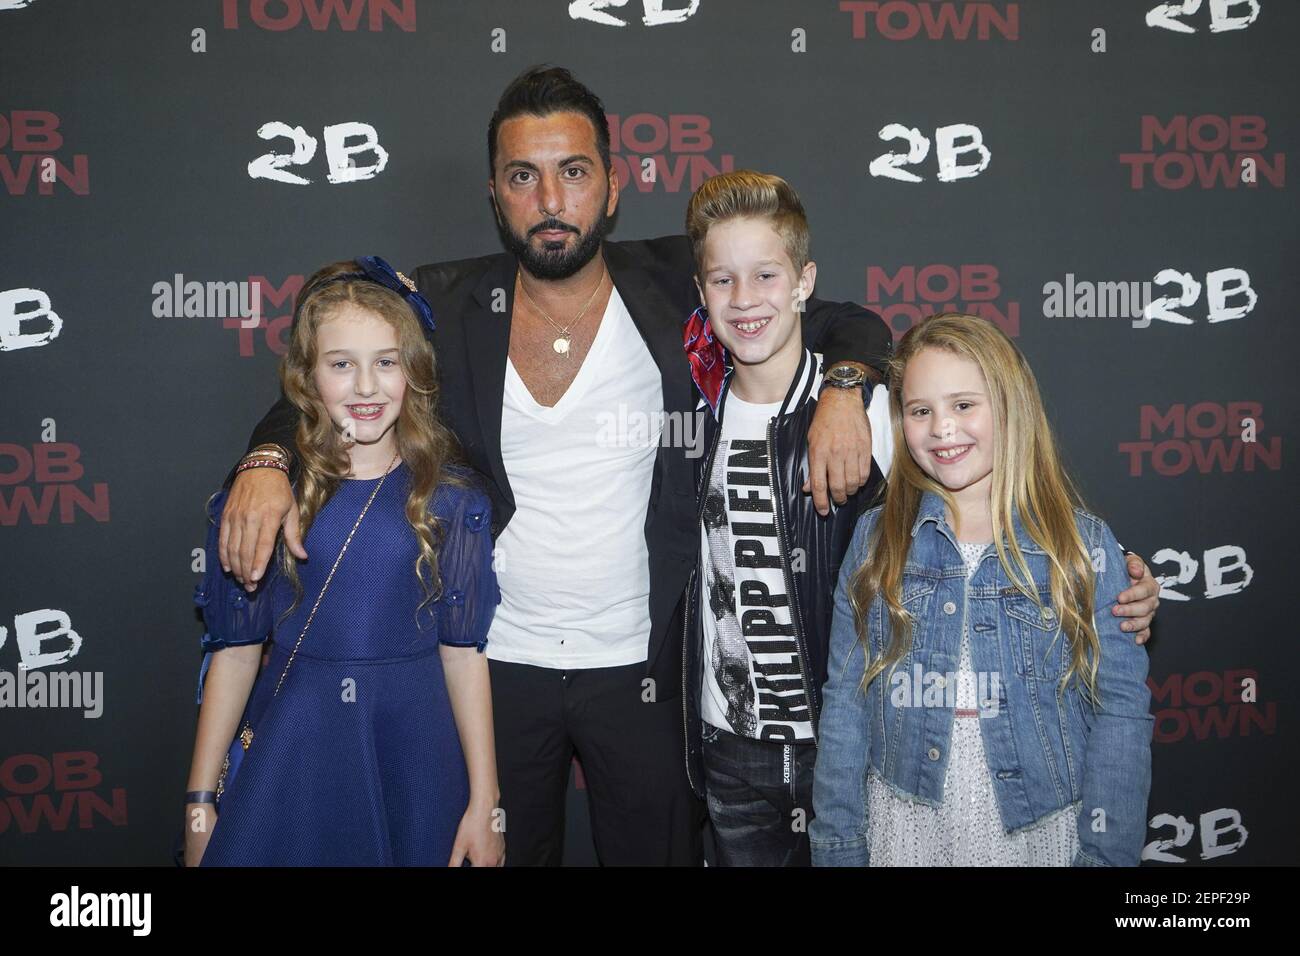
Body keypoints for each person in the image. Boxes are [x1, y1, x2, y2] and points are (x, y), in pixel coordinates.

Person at [215, 66, 894, 866]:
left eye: (573, 172)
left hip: (647, 671)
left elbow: (847, 319)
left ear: (611, 187)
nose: (549, 200)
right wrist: (266, 458)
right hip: (498, 663)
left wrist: (846, 389)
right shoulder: (444, 303)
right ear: (495, 195)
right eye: (523, 177)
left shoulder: (685, 279)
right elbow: (325, 363)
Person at [183, 257, 504, 867]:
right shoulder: (260, 503)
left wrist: (485, 802)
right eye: (341, 365)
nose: (365, 387)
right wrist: (199, 800)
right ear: (306, 377)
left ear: (414, 372)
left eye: (386, 362)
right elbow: (234, 651)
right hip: (297, 746)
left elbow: (464, 655)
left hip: (416, 748)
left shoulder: (455, 500)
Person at [810, 313, 1155, 867]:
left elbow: (1120, 714)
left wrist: (1107, 855)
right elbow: (847, 699)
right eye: (921, 411)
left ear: (1010, 407)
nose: (942, 429)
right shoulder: (878, 539)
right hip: (906, 832)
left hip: (1039, 833)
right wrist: (838, 844)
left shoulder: (1079, 545)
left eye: (964, 405)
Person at [680, 170, 893, 866]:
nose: (744, 301)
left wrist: (1109, 578)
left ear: (804, 283)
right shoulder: (690, 414)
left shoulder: (867, 414)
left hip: (847, 748)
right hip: (729, 753)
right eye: (722, 281)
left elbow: (992, 504)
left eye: (766, 276)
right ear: (701, 291)